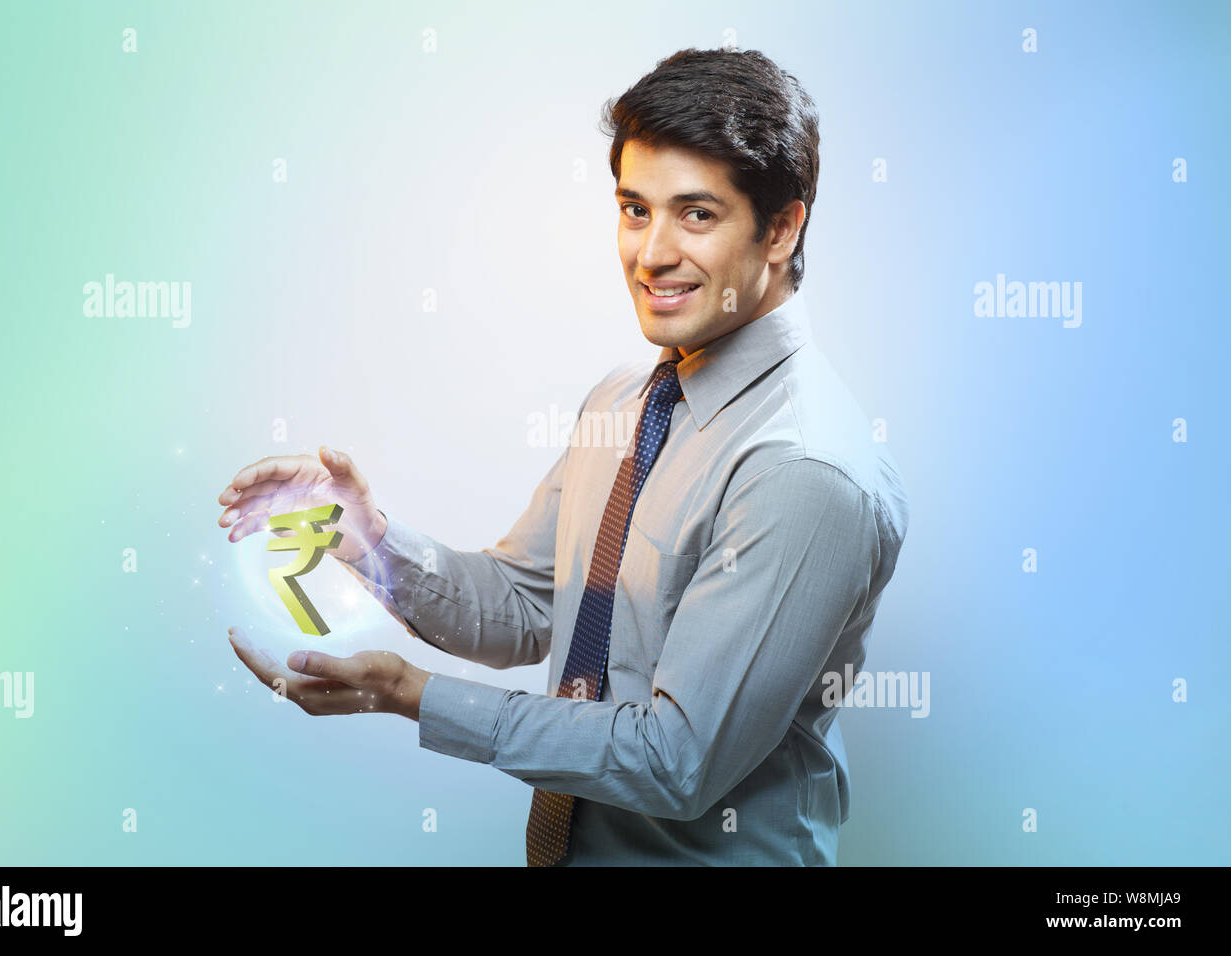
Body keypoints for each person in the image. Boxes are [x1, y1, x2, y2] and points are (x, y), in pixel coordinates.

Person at [219, 47, 909, 866]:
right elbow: (524, 607)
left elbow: (675, 760)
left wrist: (413, 697)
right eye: (633, 208)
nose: (650, 254)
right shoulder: (626, 401)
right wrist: (364, 537)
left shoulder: (803, 471)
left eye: (696, 214)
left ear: (781, 228)